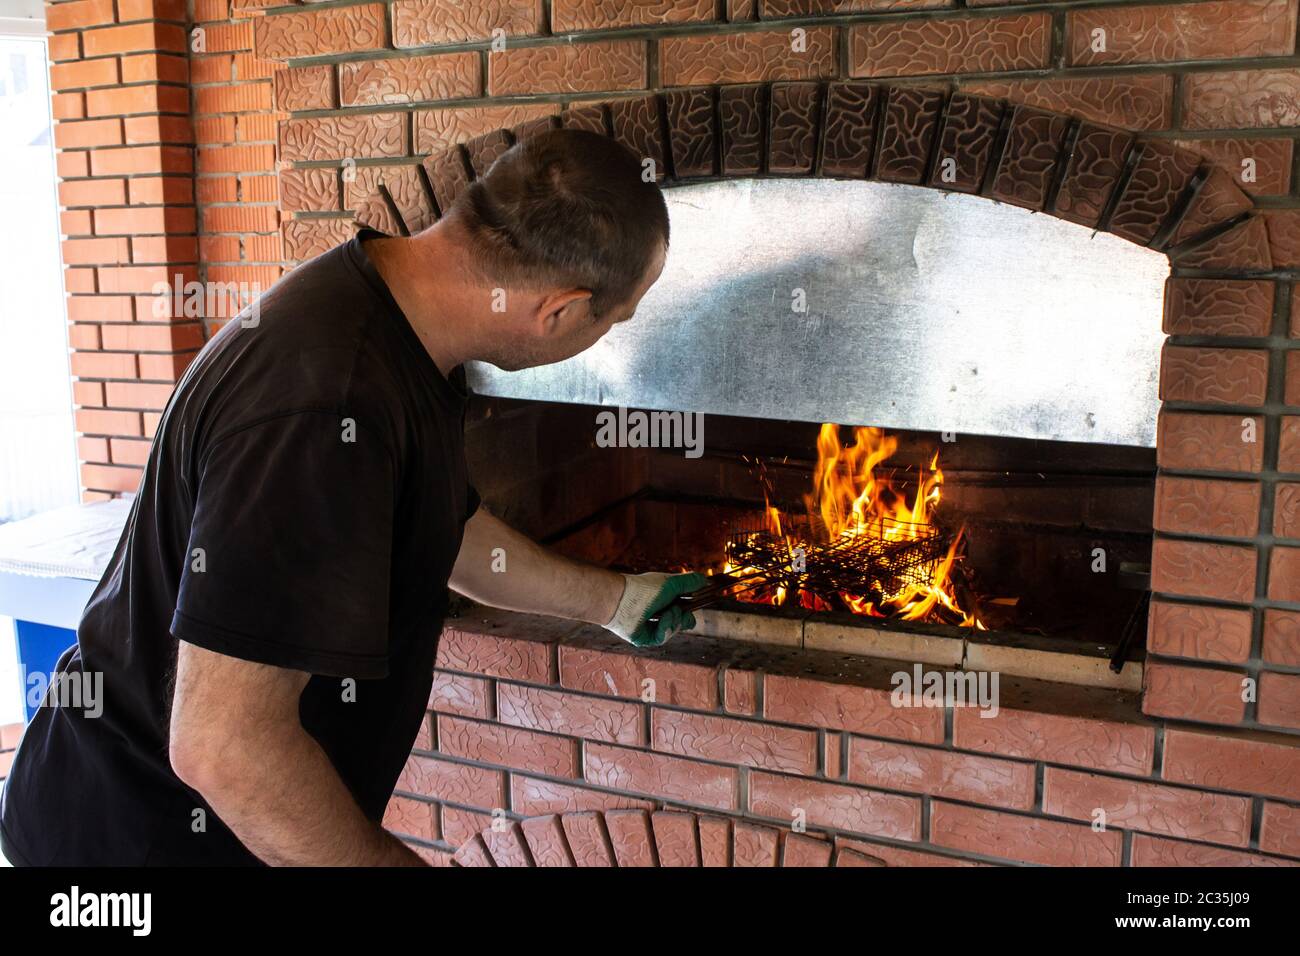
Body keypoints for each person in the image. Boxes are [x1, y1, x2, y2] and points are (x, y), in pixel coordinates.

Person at [0, 128, 703, 866]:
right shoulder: (326, 406)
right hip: (132, 847)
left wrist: (612, 602)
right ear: (560, 310)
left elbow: (446, 530)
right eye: (613, 319)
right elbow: (226, 748)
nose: (606, 335)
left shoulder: (401, 324)